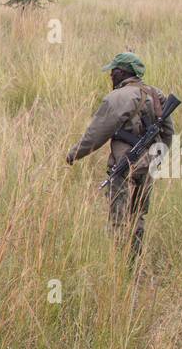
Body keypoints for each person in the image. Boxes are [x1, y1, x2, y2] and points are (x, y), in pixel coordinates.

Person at [66, 52, 174, 261]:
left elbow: (97, 133)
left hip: (123, 165)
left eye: (112, 72)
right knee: (138, 215)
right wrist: (158, 158)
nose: (110, 76)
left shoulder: (117, 97)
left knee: (119, 217)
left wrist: (74, 154)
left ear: (121, 72)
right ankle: (134, 261)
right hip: (149, 163)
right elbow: (168, 132)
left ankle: (118, 265)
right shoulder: (156, 94)